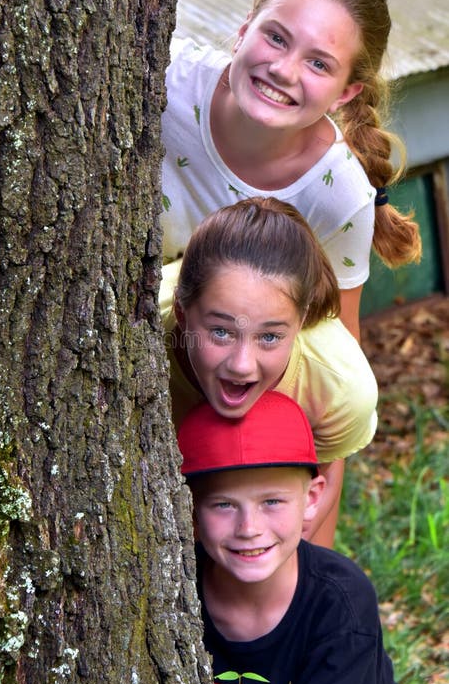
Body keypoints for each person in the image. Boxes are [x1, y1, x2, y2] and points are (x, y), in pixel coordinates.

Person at [177, 391, 449, 684]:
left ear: (312, 498)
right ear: (188, 507)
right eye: (223, 504)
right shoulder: (175, 591)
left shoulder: (340, 600)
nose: (249, 528)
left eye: (272, 501)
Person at [160, 0, 421, 340]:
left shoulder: (338, 195)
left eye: (319, 64)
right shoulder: (164, 80)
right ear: (244, 32)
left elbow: (337, 358)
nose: (283, 70)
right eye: (277, 38)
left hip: (232, 371)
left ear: (345, 93)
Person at [160, 196, 378, 547]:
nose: (242, 365)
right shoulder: (136, 331)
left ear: (301, 321)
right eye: (221, 332)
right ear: (183, 315)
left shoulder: (338, 387)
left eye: (270, 336)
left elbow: (314, 494)